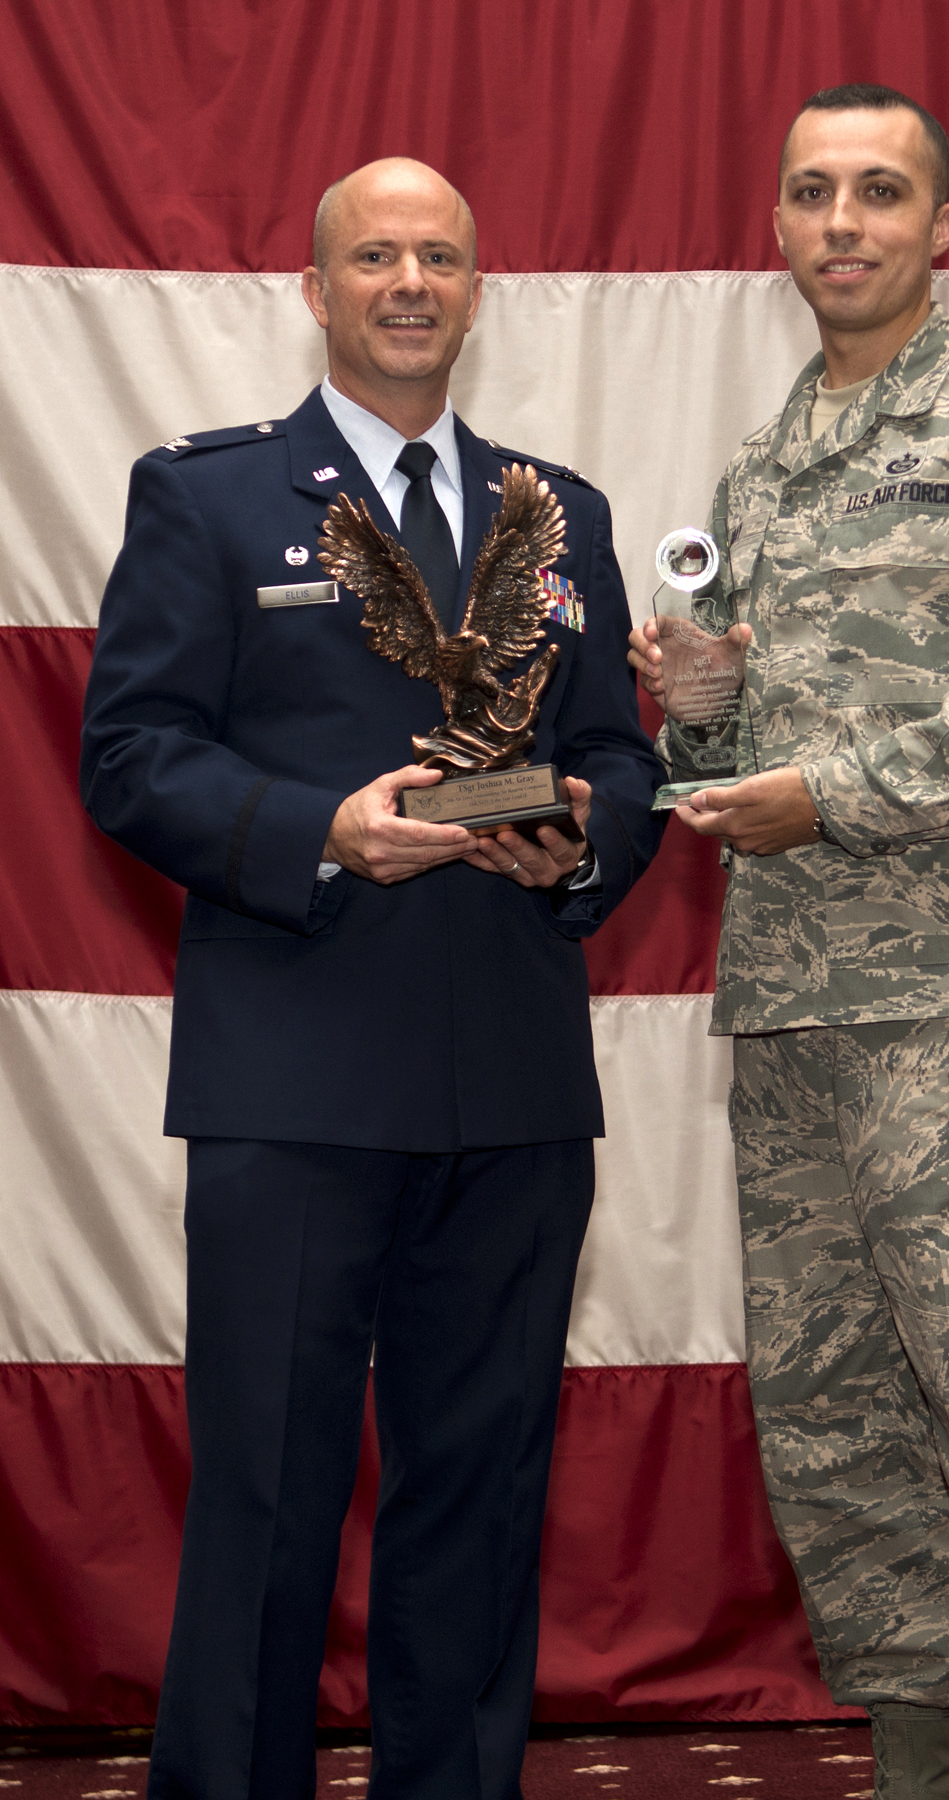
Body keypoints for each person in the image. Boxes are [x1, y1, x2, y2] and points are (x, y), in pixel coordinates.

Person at [81, 157, 662, 1800]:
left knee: (479, 1493)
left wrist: (583, 842)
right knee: (269, 1489)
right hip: (300, 1072)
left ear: (480, 291)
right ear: (319, 290)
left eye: (442, 256)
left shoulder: (564, 515)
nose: (411, 280)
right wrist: (319, 829)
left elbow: (615, 759)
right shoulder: (205, 498)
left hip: (517, 1086)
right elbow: (129, 757)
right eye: (376, 255)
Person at [630, 85, 949, 1800]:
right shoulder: (760, 473)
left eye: (879, 192)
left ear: (942, 228)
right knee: (840, 1416)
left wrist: (835, 792)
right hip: (792, 1006)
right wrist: (698, 724)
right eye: (810, 193)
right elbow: (729, 770)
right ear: (776, 228)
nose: (841, 223)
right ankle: (917, 1761)